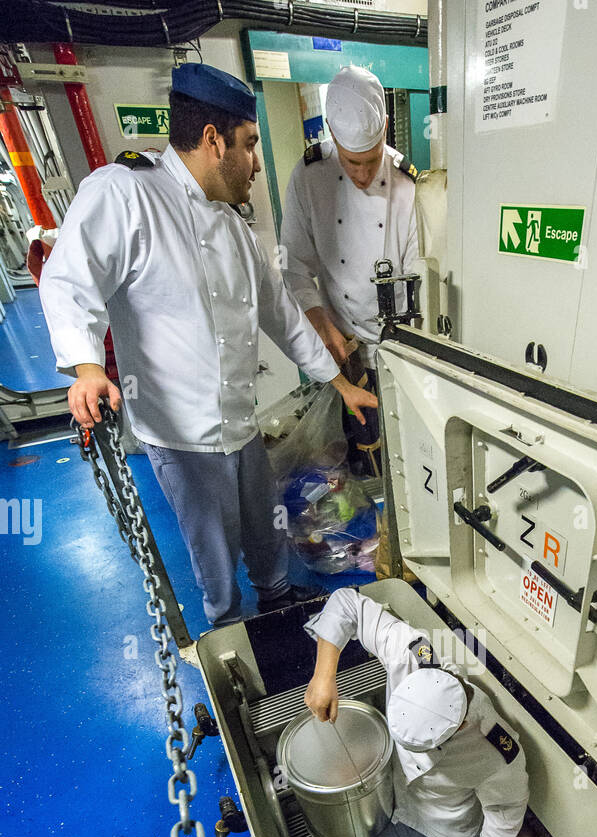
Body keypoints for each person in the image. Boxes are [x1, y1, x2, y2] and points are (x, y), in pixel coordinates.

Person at [39, 61, 377, 628]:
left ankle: (276, 597)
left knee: (264, 523)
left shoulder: (233, 226)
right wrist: (87, 367)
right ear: (213, 141)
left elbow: (282, 315)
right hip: (181, 433)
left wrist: (340, 384)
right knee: (213, 551)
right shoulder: (126, 193)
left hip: (238, 421)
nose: (256, 165)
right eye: (249, 146)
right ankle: (229, 627)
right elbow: (70, 280)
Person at [303, 589, 530, 837]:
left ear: (461, 724)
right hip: (392, 811)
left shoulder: (496, 750)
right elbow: (347, 603)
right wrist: (324, 675)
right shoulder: (412, 654)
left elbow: (506, 811)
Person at [279, 65, 419, 475]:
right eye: (352, 161)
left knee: (408, 460)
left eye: (371, 161)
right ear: (331, 134)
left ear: (386, 129)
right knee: (358, 458)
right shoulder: (307, 177)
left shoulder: (407, 184)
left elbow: (418, 278)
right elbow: (295, 265)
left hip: (399, 348)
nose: (361, 174)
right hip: (345, 350)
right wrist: (318, 318)